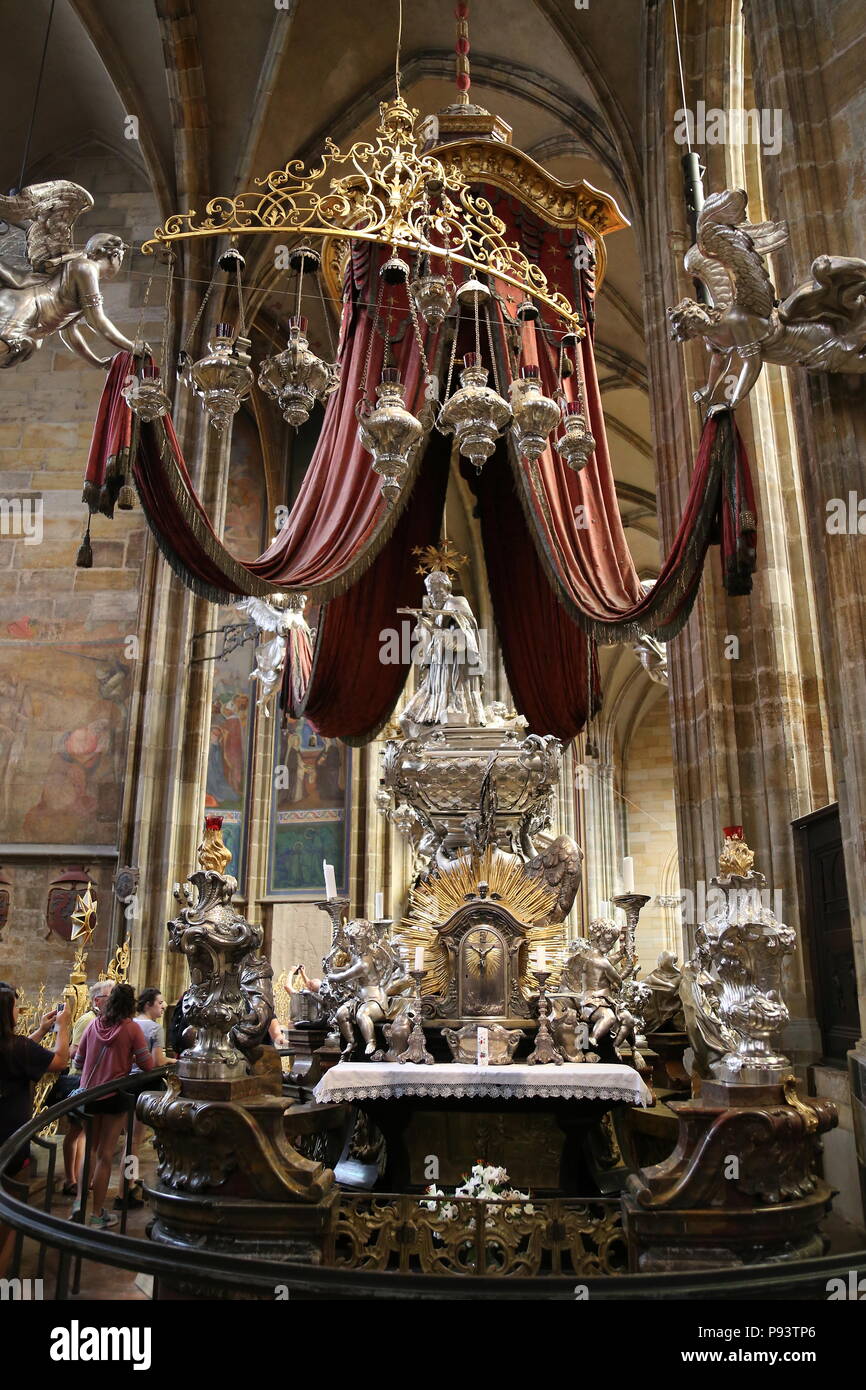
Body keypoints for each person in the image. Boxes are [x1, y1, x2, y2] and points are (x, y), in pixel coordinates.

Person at [0, 985, 71, 1275]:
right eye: (16, 1008)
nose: (20, 1012)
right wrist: (62, 1029)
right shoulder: (18, 1049)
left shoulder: (16, 1048)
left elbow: (16, 1053)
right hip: (10, 1141)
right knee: (10, 1216)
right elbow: (60, 1061)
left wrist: (41, 1030)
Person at [72, 982, 154, 1230]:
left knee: (91, 1151)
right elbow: (147, 1065)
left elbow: (78, 1060)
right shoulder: (131, 1029)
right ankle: (97, 1214)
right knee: (105, 1156)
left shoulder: (93, 1025)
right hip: (113, 1094)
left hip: (89, 1094)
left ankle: (79, 1204)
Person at [123, 988, 167, 1209]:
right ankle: (127, 1186)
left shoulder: (130, 1024)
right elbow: (156, 1061)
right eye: (159, 1002)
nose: (163, 1005)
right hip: (143, 1085)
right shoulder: (154, 1029)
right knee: (134, 1142)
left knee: (128, 1140)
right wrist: (173, 1062)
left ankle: (129, 1180)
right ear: (148, 1004)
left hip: (123, 1084)